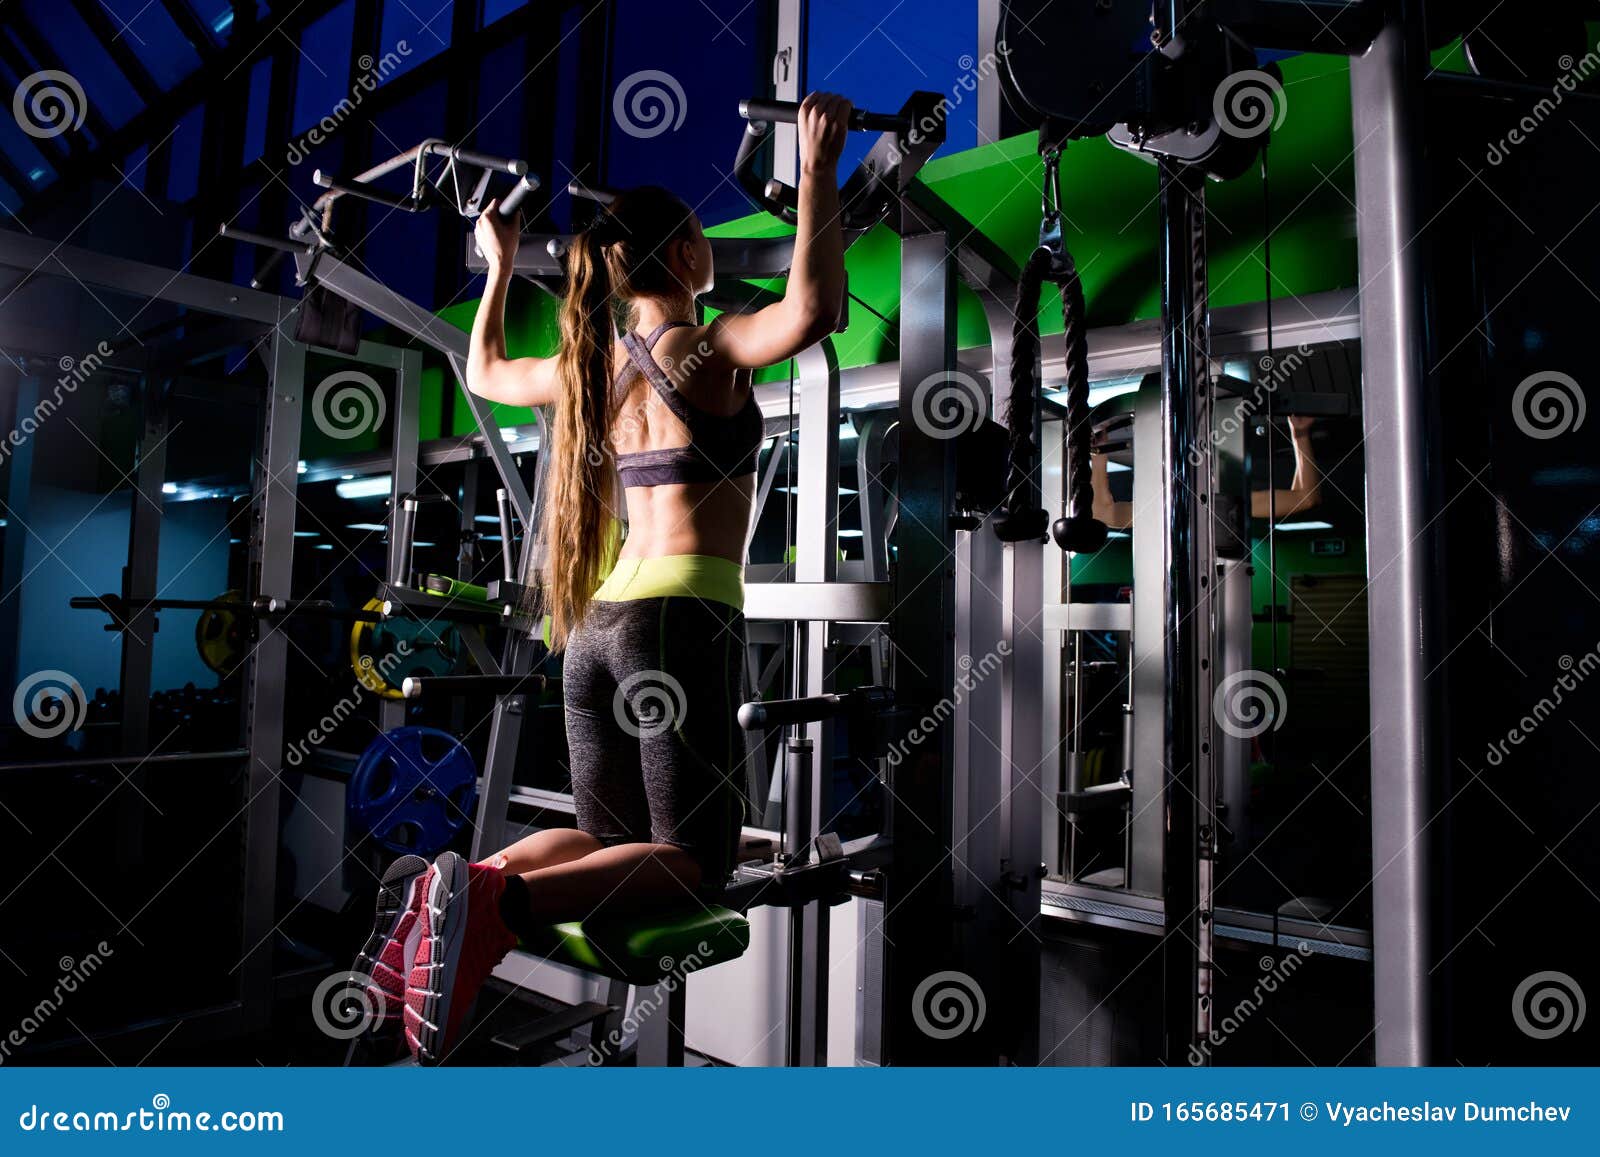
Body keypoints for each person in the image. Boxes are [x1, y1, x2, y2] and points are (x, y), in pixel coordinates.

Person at [355, 93, 854, 1065]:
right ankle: (499, 897)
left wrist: (498, 268)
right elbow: (812, 311)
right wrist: (820, 171)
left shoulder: (588, 367)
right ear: (681, 258)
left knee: (608, 844)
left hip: (594, 627)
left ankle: (461, 881)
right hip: (673, 622)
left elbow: (489, 369)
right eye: (703, 238)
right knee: (696, 862)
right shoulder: (703, 349)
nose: (710, 249)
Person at [1090, 414, 1323, 529]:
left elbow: (1306, 498)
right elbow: (1102, 515)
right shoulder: (1164, 510)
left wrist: (1300, 435)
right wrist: (1099, 458)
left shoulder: (1222, 507)